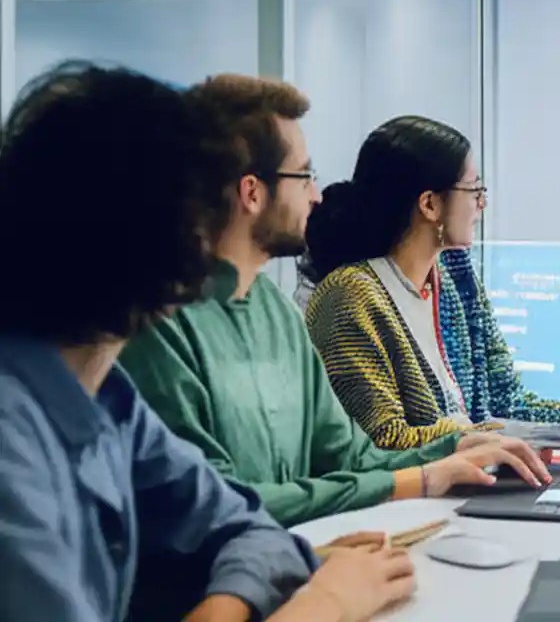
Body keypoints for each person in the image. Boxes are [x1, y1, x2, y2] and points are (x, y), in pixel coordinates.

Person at [0, 61, 413, 622]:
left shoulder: (109, 399)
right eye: (202, 202)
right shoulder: (13, 448)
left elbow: (249, 529)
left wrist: (225, 609)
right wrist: (326, 605)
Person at [118, 75, 551, 530]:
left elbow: (349, 455)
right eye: (304, 176)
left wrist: (454, 450)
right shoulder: (159, 324)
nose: (317, 195)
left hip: (295, 559)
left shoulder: (275, 311)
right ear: (252, 193)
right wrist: (418, 479)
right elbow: (221, 505)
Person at [302, 115, 560, 466]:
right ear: (430, 204)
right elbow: (385, 442)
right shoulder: (349, 297)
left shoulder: (453, 279)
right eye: (474, 190)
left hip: (468, 485)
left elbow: (505, 400)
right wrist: (542, 437)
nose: (481, 205)